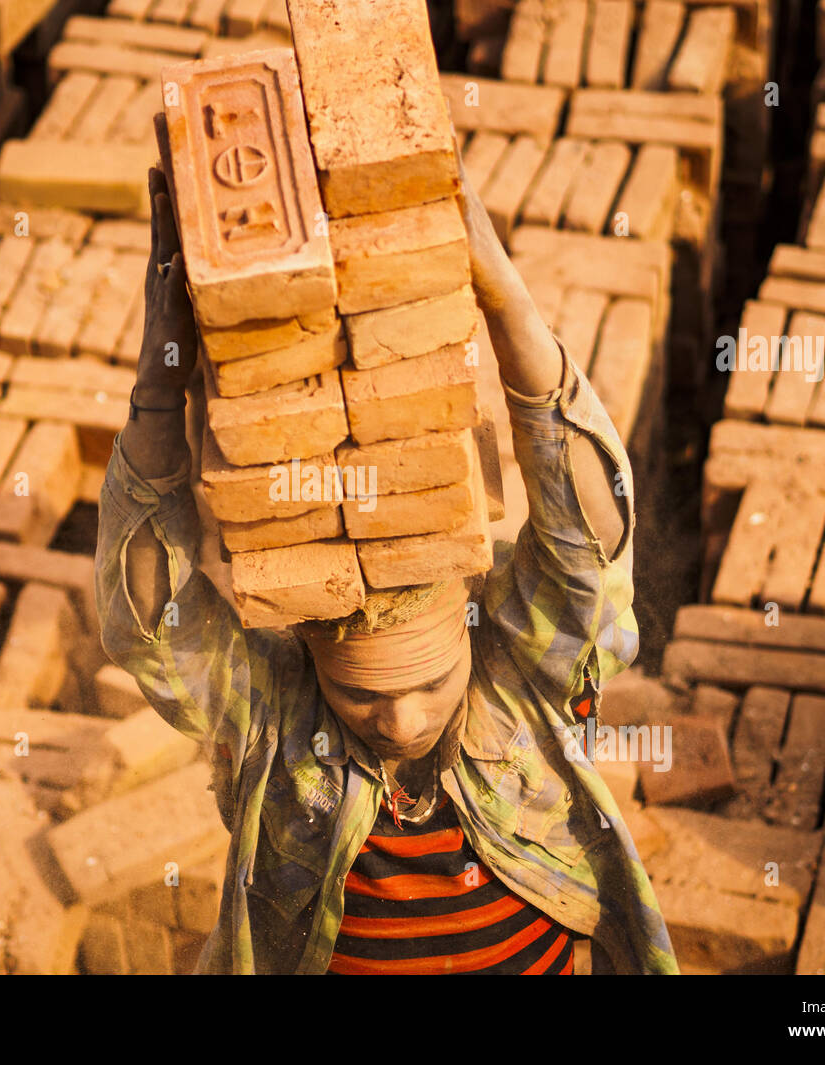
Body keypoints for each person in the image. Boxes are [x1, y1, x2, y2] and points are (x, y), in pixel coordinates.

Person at [95, 160, 679, 975]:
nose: (402, 722)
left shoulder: (522, 688)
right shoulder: (275, 721)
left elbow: (591, 541)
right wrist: (162, 384)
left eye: (431, 682)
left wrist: (503, 296)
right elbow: (154, 630)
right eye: (360, 693)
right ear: (304, 653)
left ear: (477, 611)